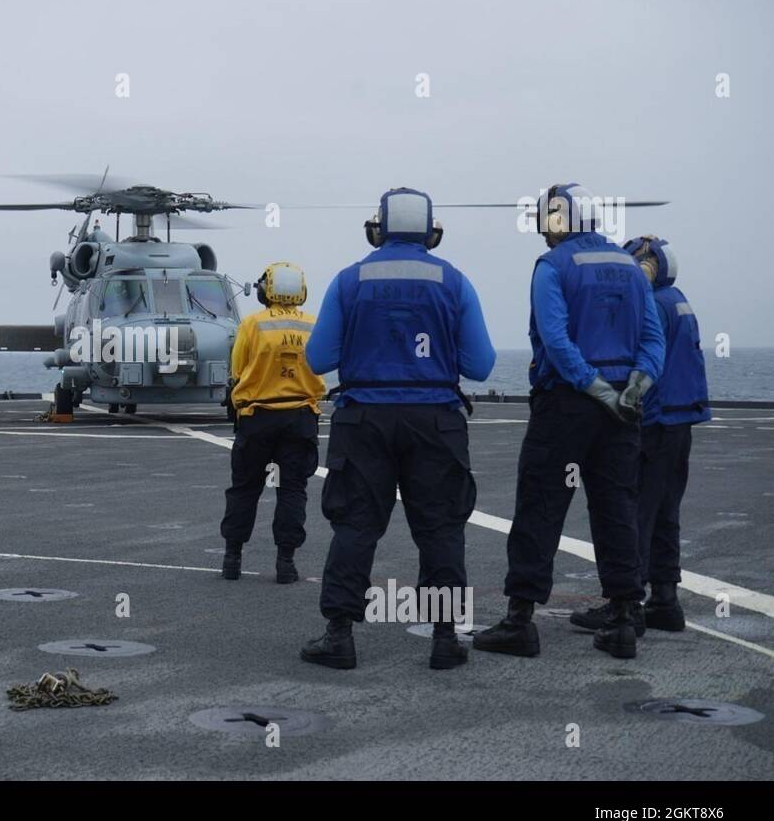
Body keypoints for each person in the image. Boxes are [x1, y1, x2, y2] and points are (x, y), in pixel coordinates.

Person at [300, 188, 496, 670]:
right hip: (436, 421)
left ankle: (340, 636)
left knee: (356, 524)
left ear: (378, 229)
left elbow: (319, 358)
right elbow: (482, 365)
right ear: (432, 233)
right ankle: (445, 639)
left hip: (364, 419)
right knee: (441, 527)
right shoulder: (454, 282)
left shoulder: (350, 280)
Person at [474, 183, 664, 661]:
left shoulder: (552, 267)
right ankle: (623, 618)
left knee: (540, 505)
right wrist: (630, 392)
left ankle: (520, 620)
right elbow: (652, 339)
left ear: (556, 220)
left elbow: (556, 341)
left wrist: (593, 387)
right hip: (623, 409)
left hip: (566, 405)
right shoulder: (630, 267)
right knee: (617, 506)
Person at [569, 237, 709, 634]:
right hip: (680, 423)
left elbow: (645, 362)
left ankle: (626, 604)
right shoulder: (678, 300)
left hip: (656, 422)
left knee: (632, 515)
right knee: (665, 513)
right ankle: (665, 600)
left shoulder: (652, 305)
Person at [221, 262, 326, 584]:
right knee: (292, 490)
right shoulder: (313, 326)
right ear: (302, 292)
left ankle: (232, 558)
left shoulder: (253, 324)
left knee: (245, 489)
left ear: (266, 291)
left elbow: (237, 369)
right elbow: (322, 363)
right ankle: (286, 562)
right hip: (300, 419)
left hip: (257, 418)